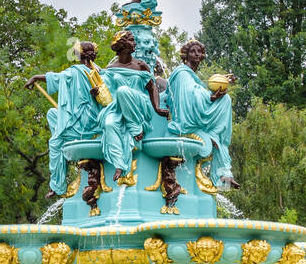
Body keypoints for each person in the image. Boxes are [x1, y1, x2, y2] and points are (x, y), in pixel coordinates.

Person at [25, 42, 103, 197]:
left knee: (55, 143)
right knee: (52, 113)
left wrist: (34, 77)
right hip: (93, 117)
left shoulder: (76, 71)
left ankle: (57, 186)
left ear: (80, 55)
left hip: (84, 122)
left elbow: (55, 78)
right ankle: (62, 138)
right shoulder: (100, 71)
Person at [166, 39, 238, 189]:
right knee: (214, 136)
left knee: (226, 99)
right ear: (185, 55)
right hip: (187, 120)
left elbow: (198, 92)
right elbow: (191, 94)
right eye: (193, 51)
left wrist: (223, 82)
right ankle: (222, 174)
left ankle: (224, 175)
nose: (197, 54)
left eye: (199, 51)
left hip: (198, 114)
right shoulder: (181, 73)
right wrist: (211, 97)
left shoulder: (192, 76)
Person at [99, 30, 170, 181]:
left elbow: (152, 88)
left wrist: (157, 108)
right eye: (131, 40)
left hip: (139, 105)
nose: (135, 43)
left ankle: (135, 127)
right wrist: (96, 92)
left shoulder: (140, 65)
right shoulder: (111, 69)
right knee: (109, 123)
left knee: (123, 91)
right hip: (118, 105)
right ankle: (119, 164)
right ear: (123, 45)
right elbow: (107, 92)